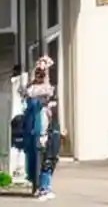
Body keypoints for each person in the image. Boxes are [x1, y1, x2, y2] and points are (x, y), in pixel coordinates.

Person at [22, 55, 57, 200]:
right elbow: (28, 92)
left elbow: (48, 91)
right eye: (38, 73)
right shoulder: (33, 90)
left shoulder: (45, 89)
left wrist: (45, 67)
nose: (40, 75)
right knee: (40, 158)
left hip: (41, 128)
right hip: (36, 129)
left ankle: (41, 186)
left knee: (44, 158)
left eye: (42, 73)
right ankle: (40, 186)